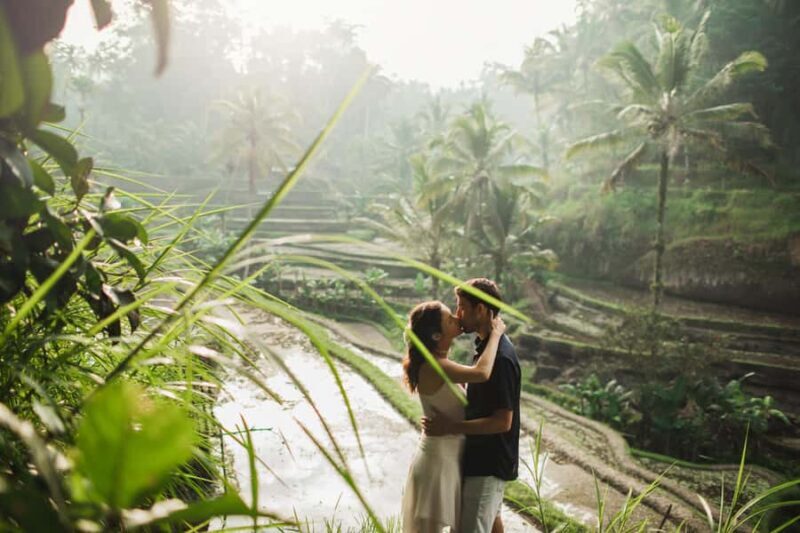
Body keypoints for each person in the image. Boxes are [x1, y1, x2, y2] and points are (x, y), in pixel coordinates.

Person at [422, 278, 521, 533]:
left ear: (481, 310)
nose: (458, 314)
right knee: (490, 523)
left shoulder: (500, 358)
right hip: (478, 458)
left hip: (488, 463)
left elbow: (502, 422)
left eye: (462, 306)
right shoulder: (486, 349)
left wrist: (450, 426)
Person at [401, 300, 506, 533]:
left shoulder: (441, 363)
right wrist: (496, 335)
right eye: (450, 319)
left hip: (449, 457)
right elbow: (481, 373)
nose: (457, 318)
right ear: (437, 335)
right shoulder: (433, 366)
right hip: (438, 462)